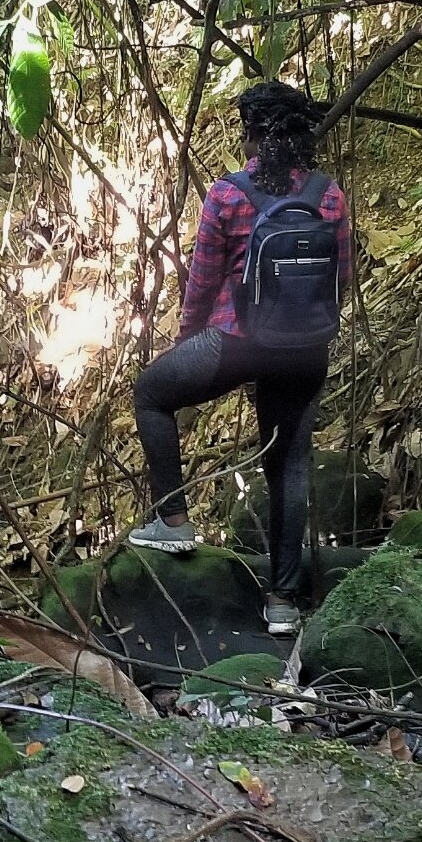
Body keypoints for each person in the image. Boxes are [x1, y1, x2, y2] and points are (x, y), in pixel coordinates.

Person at [128, 81, 352, 637]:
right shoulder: (329, 195)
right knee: (290, 464)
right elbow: (341, 277)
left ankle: (173, 521)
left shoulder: (228, 194)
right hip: (305, 350)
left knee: (151, 393)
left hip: (237, 341)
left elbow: (202, 284)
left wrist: (188, 341)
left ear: (253, 135)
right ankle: (283, 602)